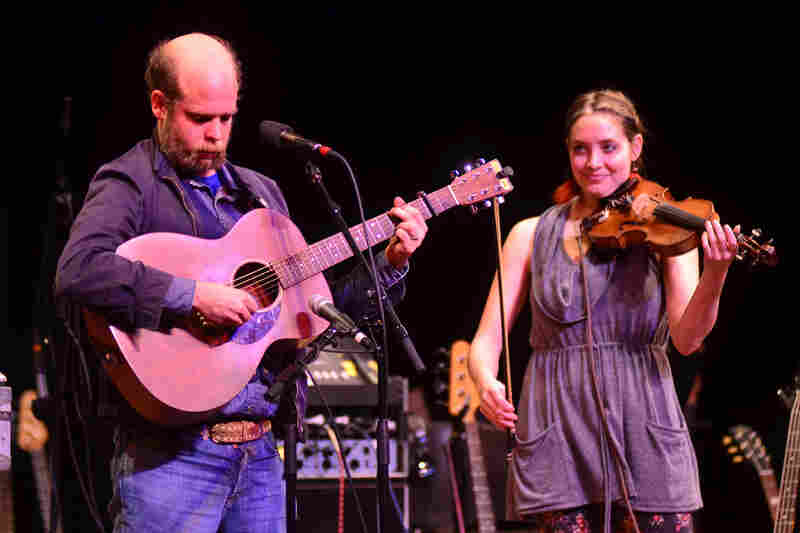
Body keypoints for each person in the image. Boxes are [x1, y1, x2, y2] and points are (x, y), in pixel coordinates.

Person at [54, 32, 428, 533]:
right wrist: (192, 297)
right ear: (159, 105)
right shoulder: (131, 184)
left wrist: (389, 261)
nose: (216, 134)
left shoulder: (261, 195)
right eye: (200, 119)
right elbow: (80, 269)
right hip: (170, 460)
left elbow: (317, 311)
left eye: (226, 119)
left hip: (260, 455)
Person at [468, 89, 739, 533]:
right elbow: (485, 342)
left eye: (608, 147)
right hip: (556, 431)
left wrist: (717, 272)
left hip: (644, 423)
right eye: (581, 149)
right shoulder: (528, 234)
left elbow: (688, 340)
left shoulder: (667, 231)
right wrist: (485, 383)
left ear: (635, 148)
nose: (593, 163)